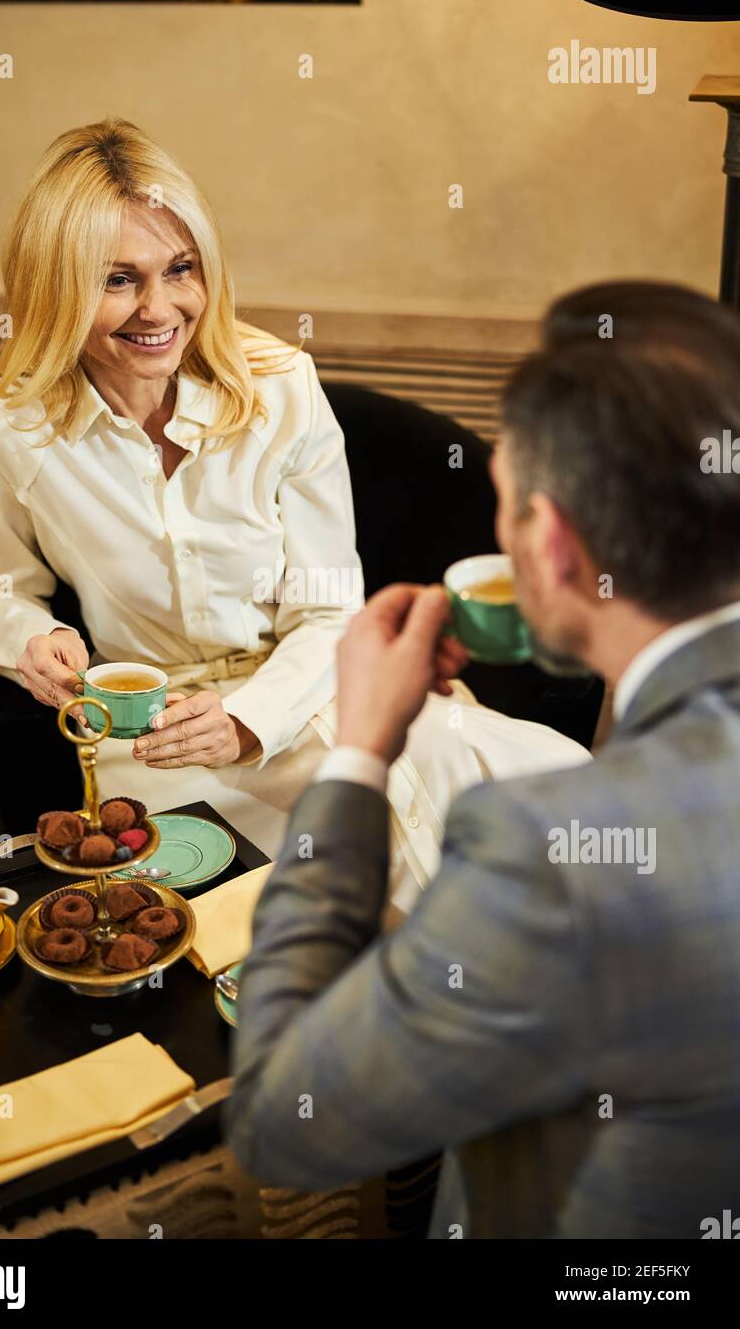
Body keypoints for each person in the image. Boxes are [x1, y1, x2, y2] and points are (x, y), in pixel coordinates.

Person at [0, 116, 587, 904]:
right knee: (269, 928)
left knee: (549, 829)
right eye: (117, 280)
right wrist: (30, 635)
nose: (161, 309)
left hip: (310, 697)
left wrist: (251, 718)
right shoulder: (5, 426)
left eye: (181, 268)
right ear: (55, 287)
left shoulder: (284, 389)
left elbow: (330, 614)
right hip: (162, 745)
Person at [227, 280, 740, 1237]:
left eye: (503, 504)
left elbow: (282, 1119)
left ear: (545, 542)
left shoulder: (546, 854)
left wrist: (357, 760)